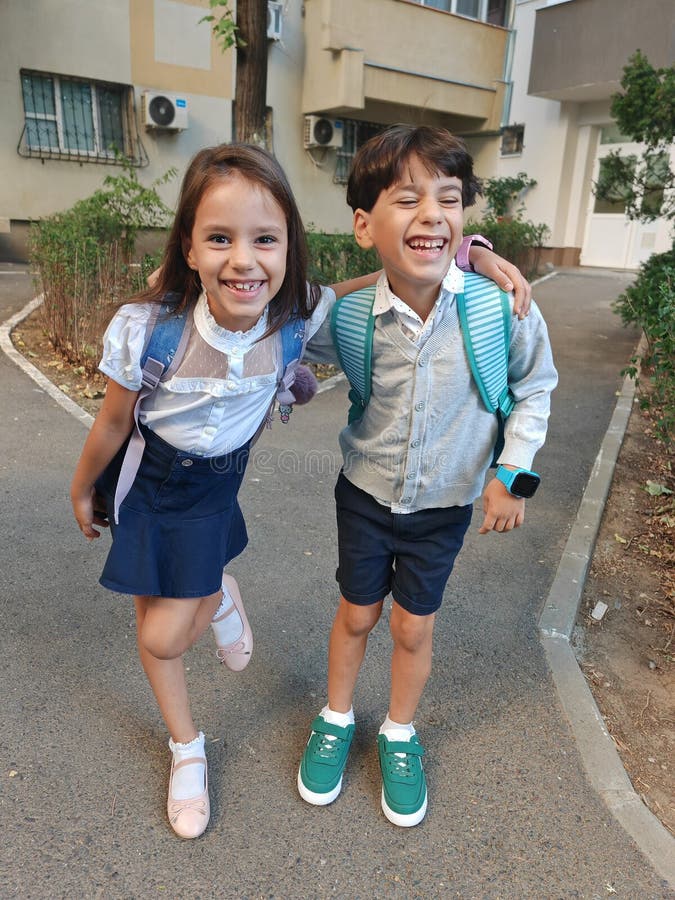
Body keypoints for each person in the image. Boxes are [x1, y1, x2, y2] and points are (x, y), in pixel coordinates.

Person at [70, 141, 528, 839]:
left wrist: (470, 256)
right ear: (188, 247)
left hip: (217, 496)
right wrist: (83, 487)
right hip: (146, 484)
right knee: (159, 637)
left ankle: (217, 595)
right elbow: (111, 422)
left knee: (168, 635)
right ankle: (186, 748)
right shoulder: (149, 331)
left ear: (290, 249)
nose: (243, 260)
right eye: (218, 238)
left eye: (265, 239)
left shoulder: (294, 318)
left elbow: (386, 280)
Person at [297, 125, 558, 828]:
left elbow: (535, 386)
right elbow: (276, 314)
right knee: (356, 614)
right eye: (407, 199)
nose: (432, 215)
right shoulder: (349, 315)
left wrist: (512, 471)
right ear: (362, 223)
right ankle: (336, 717)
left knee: (413, 627)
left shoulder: (498, 308)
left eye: (449, 200)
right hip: (364, 495)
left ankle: (399, 733)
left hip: (444, 504)